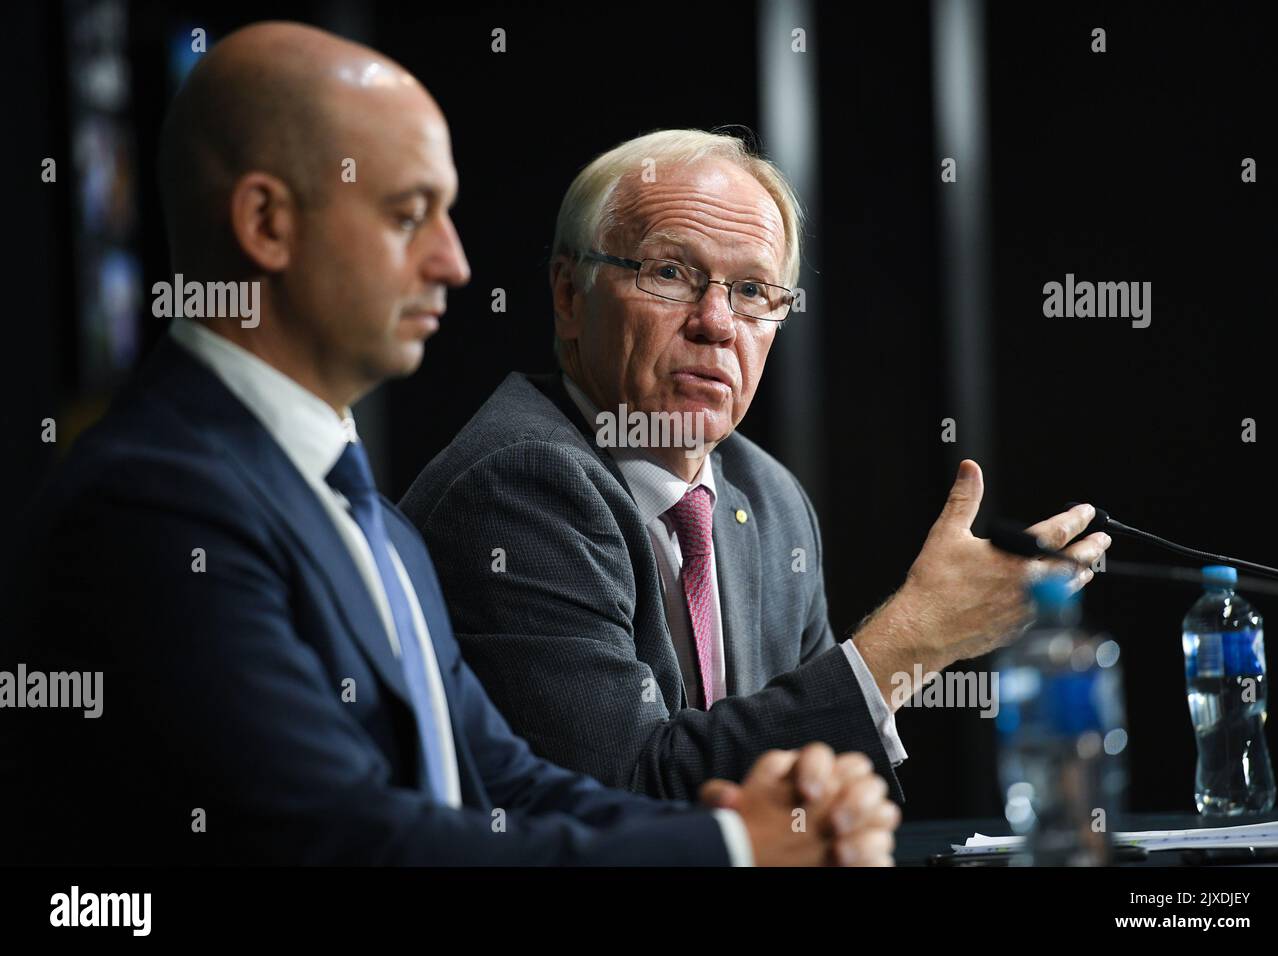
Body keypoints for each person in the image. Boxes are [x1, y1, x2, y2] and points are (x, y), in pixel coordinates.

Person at [5, 23, 898, 866]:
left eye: (753, 294)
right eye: (409, 214)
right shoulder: (159, 501)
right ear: (267, 224)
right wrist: (733, 850)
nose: (454, 263)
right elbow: (349, 844)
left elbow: (501, 783)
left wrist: (746, 824)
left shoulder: (367, 518)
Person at [399, 129, 1111, 801]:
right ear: (568, 296)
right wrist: (916, 638)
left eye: (751, 292)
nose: (716, 322)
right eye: (670, 272)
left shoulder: (765, 496)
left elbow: (812, 778)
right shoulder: (518, 484)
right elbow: (625, 793)